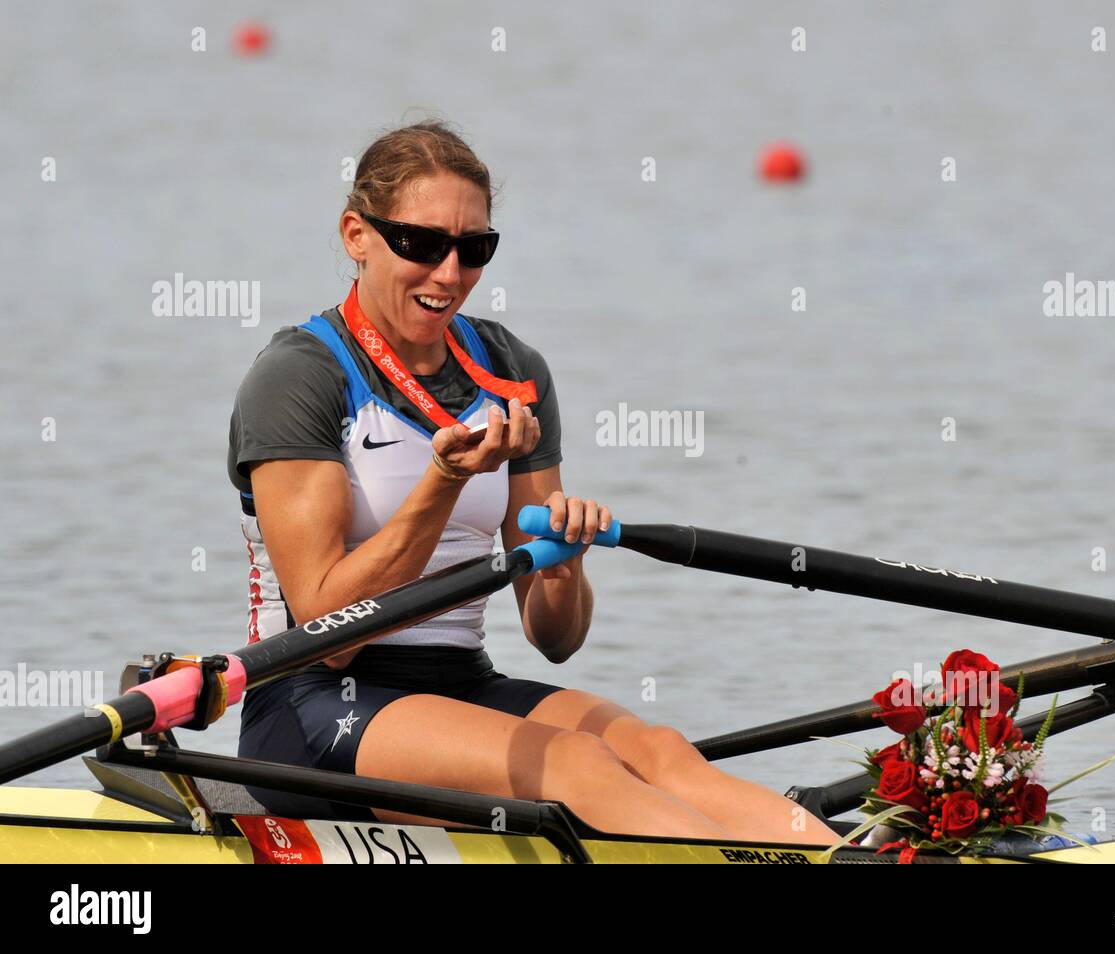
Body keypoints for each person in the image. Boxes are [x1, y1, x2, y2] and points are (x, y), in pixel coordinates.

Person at [229, 120, 836, 845]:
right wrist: (443, 483)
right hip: (315, 705)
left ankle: (857, 862)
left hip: (463, 684)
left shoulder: (511, 370)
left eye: (473, 248)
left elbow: (555, 640)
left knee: (659, 753)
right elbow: (329, 632)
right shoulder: (299, 376)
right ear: (356, 234)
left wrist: (564, 557)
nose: (449, 273)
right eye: (420, 245)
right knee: (578, 766)